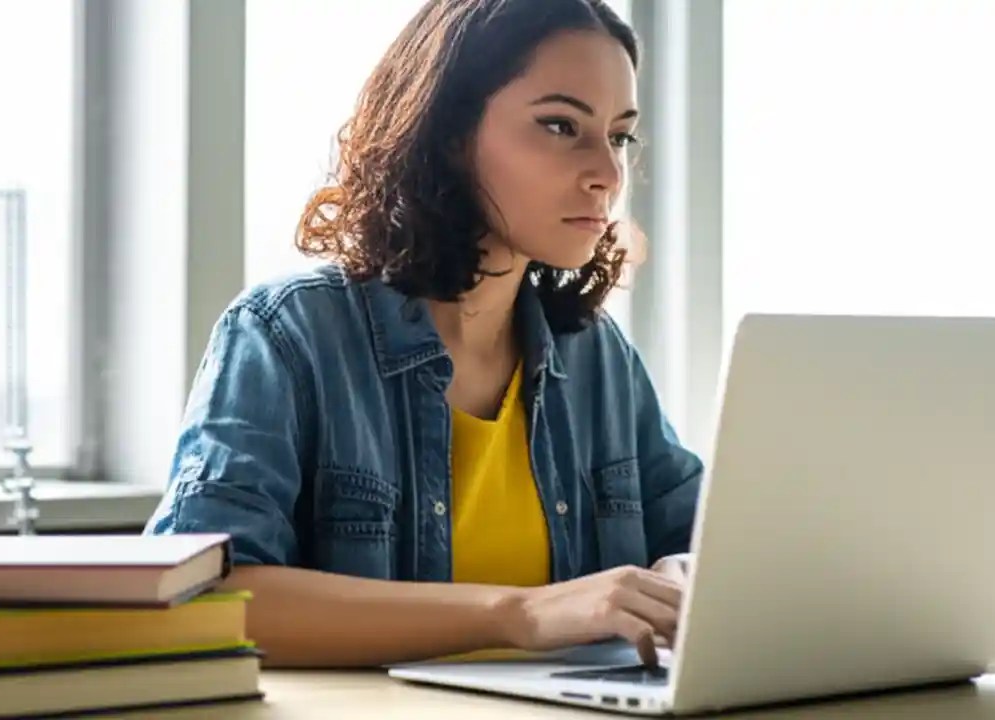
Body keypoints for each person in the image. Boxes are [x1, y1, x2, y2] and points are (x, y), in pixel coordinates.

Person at [144, 0, 702, 669]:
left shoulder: (597, 359)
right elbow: (206, 596)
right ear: (448, 133)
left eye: (618, 136)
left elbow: (712, 542)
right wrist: (518, 614)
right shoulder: (287, 334)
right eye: (560, 125)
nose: (608, 175)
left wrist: (682, 576)